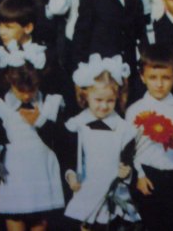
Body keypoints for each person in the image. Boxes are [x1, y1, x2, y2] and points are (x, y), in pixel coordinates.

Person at [0, 43, 66, 231]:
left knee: (40, 221)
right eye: (21, 90)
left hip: (41, 174)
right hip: (16, 175)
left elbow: (60, 142)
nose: (27, 96)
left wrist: (40, 121)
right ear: (9, 81)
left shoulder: (50, 105)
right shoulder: (1, 108)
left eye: (32, 89)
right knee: (15, 217)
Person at [126, 44, 173, 231]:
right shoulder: (135, 110)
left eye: (166, 78)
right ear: (142, 77)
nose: (159, 84)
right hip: (149, 179)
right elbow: (129, 151)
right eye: (153, 77)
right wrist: (139, 176)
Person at [64, 54, 138, 229]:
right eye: (98, 100)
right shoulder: (77, 125)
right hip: (86, 189)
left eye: (110, 101)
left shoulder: (123, 128)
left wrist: (126, 171)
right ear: (85, 95)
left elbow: (129, 160)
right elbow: (69, 159)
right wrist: (71, 176)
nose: (104, 106)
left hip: (113, 191)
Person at [72, 0, 148, 103]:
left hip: (127, 72)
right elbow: (81, 38)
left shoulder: (135, 0)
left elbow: (140, 37)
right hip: (100, 72)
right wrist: (81, 72)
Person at [0, 0, 69, 106]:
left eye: (9, 27)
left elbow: (61, 88)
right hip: (4, 114)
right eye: (0, 25)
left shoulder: (44, 53)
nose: (2, 31)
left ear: (28, 28)